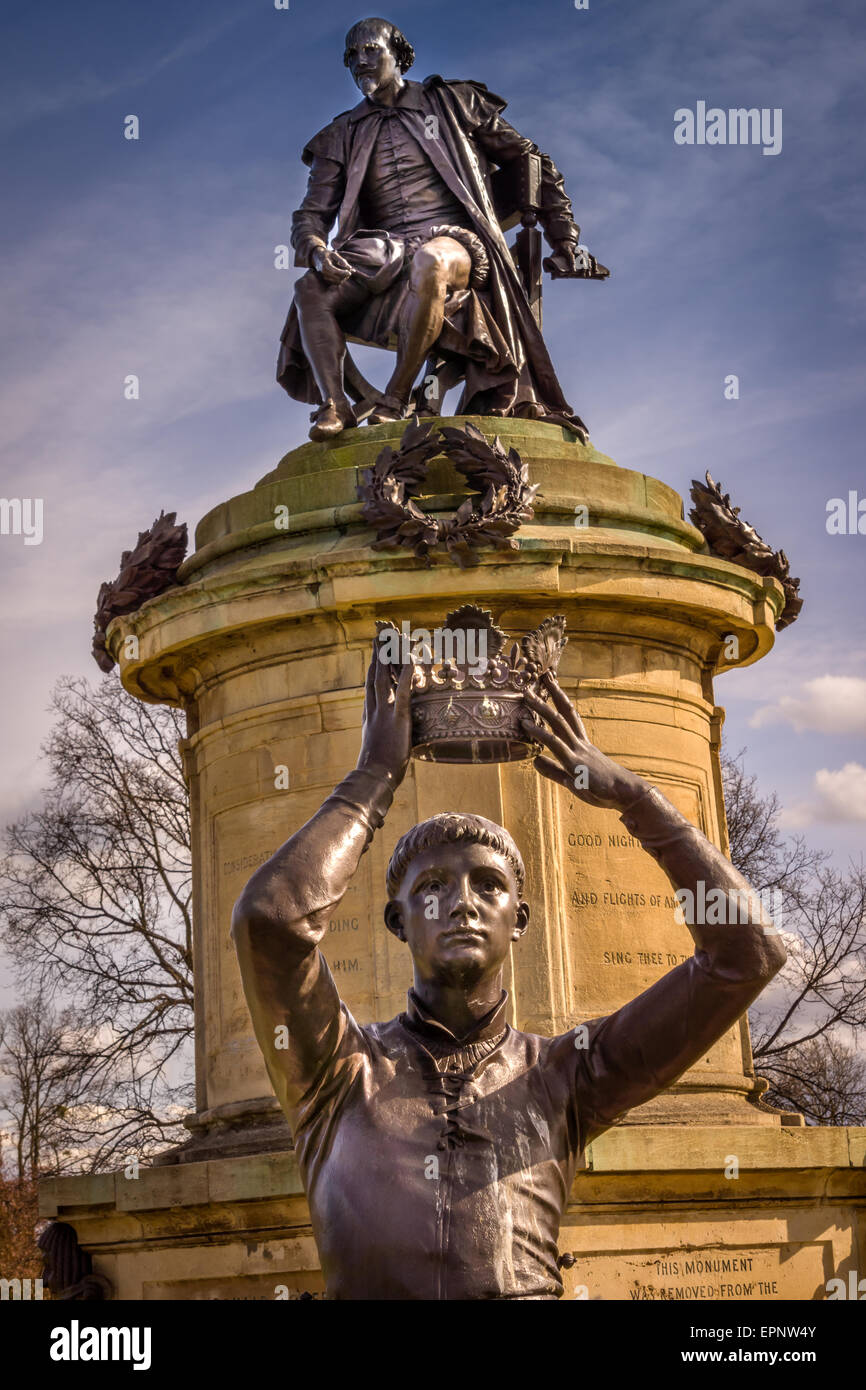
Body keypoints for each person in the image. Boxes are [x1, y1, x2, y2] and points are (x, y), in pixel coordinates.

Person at [232, 641, 786, 1299]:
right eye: (433, 885)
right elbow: (271, 922)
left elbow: (746, 954)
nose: (462, 901)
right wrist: (375, 776)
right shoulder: (337, 1070)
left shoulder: (568, 1074)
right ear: (396, 921)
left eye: (488, 885)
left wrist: (636, 797)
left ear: (519, 920)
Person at [278, 17, 597, 442]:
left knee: (430, 261)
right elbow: (311, 214)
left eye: (371, 50)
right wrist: (317, 248)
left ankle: (394, 398)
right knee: (309, 290)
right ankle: (335, 405)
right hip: (383, 249)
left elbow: (532, 164)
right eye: (352, 56)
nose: (361, 62)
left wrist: (565, 239)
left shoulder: (452, 102)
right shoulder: (339, 135)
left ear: (399, 53)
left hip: (456, 242)